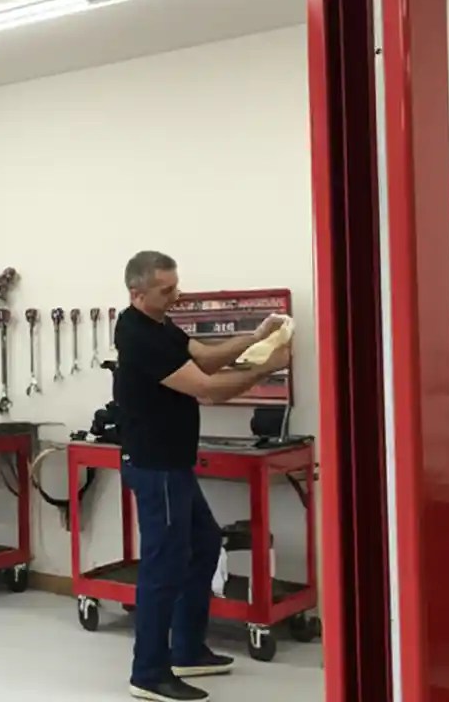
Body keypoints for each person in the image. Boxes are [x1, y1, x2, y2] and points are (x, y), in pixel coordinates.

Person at [113, 251, 292, 702]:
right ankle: (149, 673)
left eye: (176, 285)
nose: (178, 294)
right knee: (163, 567)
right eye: (167, 290)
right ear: (138, 294)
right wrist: (267, 368)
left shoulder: (161, 325)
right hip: (155, 467)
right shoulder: (138, 335)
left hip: (174, 464)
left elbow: (207, 360)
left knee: (205, 544)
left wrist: (257, 337)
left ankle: (187, 649)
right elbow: (208, 390)